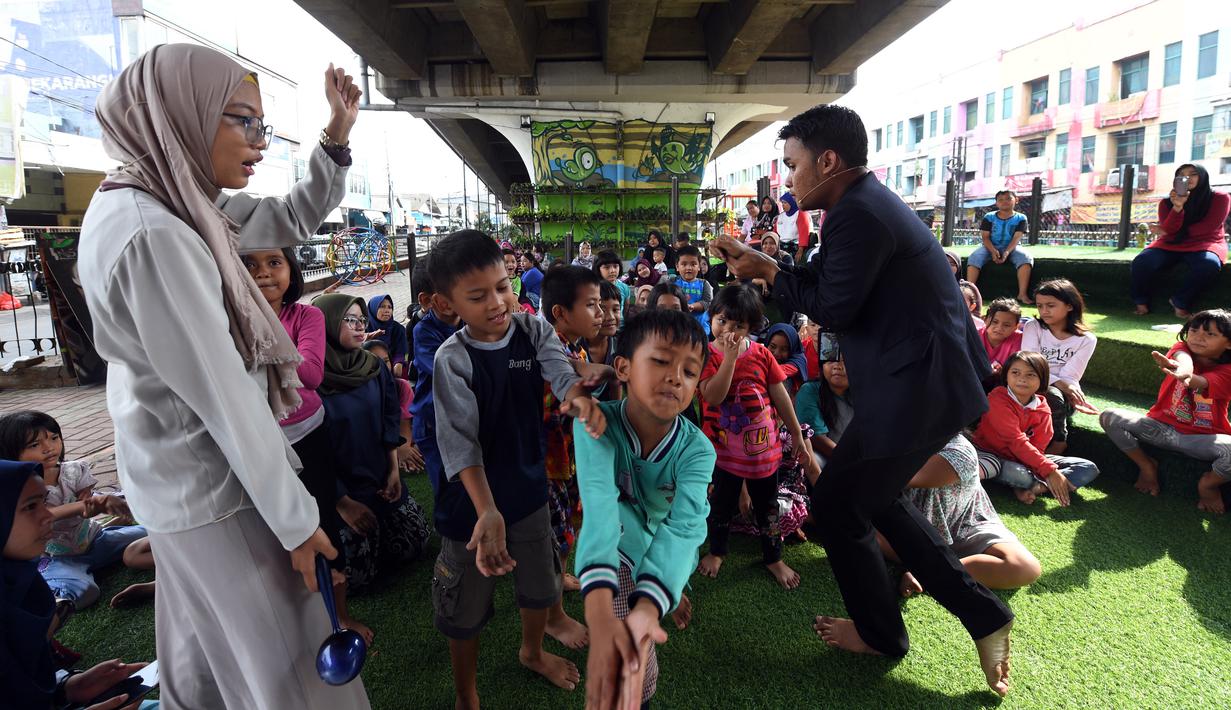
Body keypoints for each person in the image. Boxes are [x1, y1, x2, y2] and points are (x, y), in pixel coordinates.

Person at [76, 44, 369, 708]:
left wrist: (334, 140)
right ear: (179, 114)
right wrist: (296, 524)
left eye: (263, 125)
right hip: (219, 489)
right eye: (241, 120)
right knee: (295, 679)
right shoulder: (156, 232)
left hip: (179, 481)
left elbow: (288, 217)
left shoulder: (168, 201)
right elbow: (226, 393)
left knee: (201, 666)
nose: (258, 141)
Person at [709, 104, 1013, 695]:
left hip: (917, 391)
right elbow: (829, 289)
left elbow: (833, 306)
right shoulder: (860, 207)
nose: (789, 179)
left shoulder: (859, 215)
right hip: (920, 387)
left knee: (839, 508)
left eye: (793, 165)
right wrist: (769, 265)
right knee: (866, 502)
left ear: (828, 161)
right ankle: (978, 616)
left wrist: (767, 270)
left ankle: (890, 631)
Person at [428, 230, 607, 708]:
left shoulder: (531, 329)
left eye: (503, 286)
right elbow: (459, 444)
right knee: (465, 607)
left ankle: (532, 651)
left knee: (541, 582)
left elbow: (561, 373)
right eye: (478, 295)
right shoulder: (453, 358)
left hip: (531, 489)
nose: (497, 302)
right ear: (448, 304)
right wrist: (487, 512)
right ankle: (467, 692)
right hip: (470, 507)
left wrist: (579, 396)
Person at [575, 310, 715, 710]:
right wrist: (600, 613)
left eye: (690, 371)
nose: (676, 377)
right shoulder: (596, 425)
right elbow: (600, 508)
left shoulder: (698, 449)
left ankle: (663, 592)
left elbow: (685, 528)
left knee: (653, 598)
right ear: (622, 367)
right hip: (616, 544)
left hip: (660, 545)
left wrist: (654, 600)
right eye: (660, 361)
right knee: (629, 659)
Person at [241, 247, 371, 639]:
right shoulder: (225, 321)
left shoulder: (306, 316)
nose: (264, 273)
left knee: (322, 524)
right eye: (250, 264)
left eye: (274, 262)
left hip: (307, 435)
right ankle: (290, 619)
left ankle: (340, 616)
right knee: (269, 533)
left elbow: (311, 375)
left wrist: (262, 332)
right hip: (257, 441)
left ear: (291, 269)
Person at [1, 460, 159, 710]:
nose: (47, 516)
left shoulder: (24, 586)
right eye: (30, 507)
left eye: (42, 503)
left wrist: (67, 687)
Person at [696, 285, 811, 590]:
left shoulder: (761, 354)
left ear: (751, 327)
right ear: (711, 318)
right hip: (722, 455)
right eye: (722, 322)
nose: (728, 332)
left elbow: (780, 395)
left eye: (738, 326)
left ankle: (773, 557)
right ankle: (717, 551)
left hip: (765, 454)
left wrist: (797, 434)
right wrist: (730, 360)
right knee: (720, 507)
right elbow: (713, 396)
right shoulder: (705, 355)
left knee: (768, 508)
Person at [315, 294, 430, 593]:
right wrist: (342, 503)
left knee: (414, 543)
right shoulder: (310, 381)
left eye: (361, 320)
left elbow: (390, 417)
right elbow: (310, 452)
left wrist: (394, 471)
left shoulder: (373, 367)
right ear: (326, 324)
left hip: (380, 477)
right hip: (338, 490)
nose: (358, 327)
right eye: (349, 320)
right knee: (358, 577)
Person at [0, 412, 151, 614]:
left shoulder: (74, 470)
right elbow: (47, 514)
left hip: (95, 539)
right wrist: (85, 506)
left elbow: (86, 504)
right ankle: (56, 602)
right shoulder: (24, 487)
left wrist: (90, 506)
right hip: (60, 557)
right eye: (34, 445)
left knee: (149, 533)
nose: (48, 448)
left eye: (54, 438)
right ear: (10, 453)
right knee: (85, 590)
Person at [1099, 310, 1231, 514]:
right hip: (1160, 428)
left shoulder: (1228, 370)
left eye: (1210, 334)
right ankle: (1147, 466)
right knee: (1109, 416)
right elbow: (1183, 359)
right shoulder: (1181, 348)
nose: (1198, 337)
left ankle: (1209, 485)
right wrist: (1181, 369)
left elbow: (1201, 381)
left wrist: (1186, 376)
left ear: (1229, 343)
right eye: (1194, 330)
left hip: (1201, 439)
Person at [881, 436, 1041, 598]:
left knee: (1024, 567)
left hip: (965, 524)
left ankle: (930, 574)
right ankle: (929, 568)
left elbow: (897, 479)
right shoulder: (890, 436)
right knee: (862, 528)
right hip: (907, 528)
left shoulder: (959, 451)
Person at [540, 266, 606, 602]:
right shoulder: (552, 355)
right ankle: (550, 609)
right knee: (556, 531)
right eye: (592, 305)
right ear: (560, 313)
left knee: (570, 521)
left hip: (570, 456)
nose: (600, 313)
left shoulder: (575, 349)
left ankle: (560, 575)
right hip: (549, 464)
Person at [972, 352, 1101, 505]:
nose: (1022, 379)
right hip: (991, 453)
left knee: (1087, 468)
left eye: (1031, 374)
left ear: (1042, 379)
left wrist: (1042, 468)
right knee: (1020, 475)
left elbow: (1038, 447)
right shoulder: (997, 398)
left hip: (1025, 459)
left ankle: (1036, 488)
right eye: (1015, 372)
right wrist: (1050, 471)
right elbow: (1015, 441)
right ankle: (1028, 483)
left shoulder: (1043, 407)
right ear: (1006, 376)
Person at [1132, 164, 1231, 318]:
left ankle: (1180, 301)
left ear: (1202, 176)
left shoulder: (1220, 198)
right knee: (1142, 261)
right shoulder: (1166, 203)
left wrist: (1168, 231)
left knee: (1209, 264)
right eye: (1181, 175)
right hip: (1170, 243)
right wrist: (1177, 207)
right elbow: (1168, 229)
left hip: (1206, 242)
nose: (1187, 178)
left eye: (1193, 174)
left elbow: (1209, 227)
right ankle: (1141, 302)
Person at [1021, 279, 1100, 454]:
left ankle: (1058, 441)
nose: (1044, 311)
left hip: (1063, 393)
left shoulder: (1086, 339)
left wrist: (1063, 386)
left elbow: (1070, 375)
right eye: (1040, 306)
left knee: (1053, 395)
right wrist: (1060, 383)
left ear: (1070, 306)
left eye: (1050, 305)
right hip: (1030, 381)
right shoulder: (1033, 327)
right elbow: (1029, 363)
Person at [965, 191, 1034, 304]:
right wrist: (993, 251)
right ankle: (969, 293)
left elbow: (1016, 238)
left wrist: (1007, 252)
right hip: (990, 246)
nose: (1004, 202)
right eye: (1000, 200)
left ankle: (1022, 294)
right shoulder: (989, 217)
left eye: (1008, 198)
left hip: (1012, 246)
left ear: (1016, 200)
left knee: (1025, 258)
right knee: (974, 257)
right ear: (996, 203)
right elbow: (985, 237)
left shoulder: (1021, 218)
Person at [669, 245, 713, 335]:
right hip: (676, 327)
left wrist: (692, 306)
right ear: (677, 266)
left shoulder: (704, 284)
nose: (688, 268)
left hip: (699, 328)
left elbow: (706, 302)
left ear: (699, 266)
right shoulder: (671, 282)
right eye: (684, 264)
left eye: (693, 264)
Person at [366, 294, 409, 379]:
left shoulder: (398, 328)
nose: (387, 310)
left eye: (389, 307)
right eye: (382, 307)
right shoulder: (364, 329)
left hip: (392, 368)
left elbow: (400, 351)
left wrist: (398, 363)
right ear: (373, 309)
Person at [981, 298, 1024, 379]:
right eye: (995, 322)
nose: (999, 328)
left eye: (1006, 325)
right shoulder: (975, 336)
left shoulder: (1018, 339)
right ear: (985, 319)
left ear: (1016, 326)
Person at [765, 322, 810, 395]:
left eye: (783, 349)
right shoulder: (762, 354)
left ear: (792, 348)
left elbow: (779, 371)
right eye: (773, 346)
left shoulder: (798, 361)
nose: (776, 353)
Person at [593, 249, 631, 316]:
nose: (612, 270)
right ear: (598, 269)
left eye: (615, 266)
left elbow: (625, 312)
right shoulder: (594, 289)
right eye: (607, 267)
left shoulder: (624, 288)